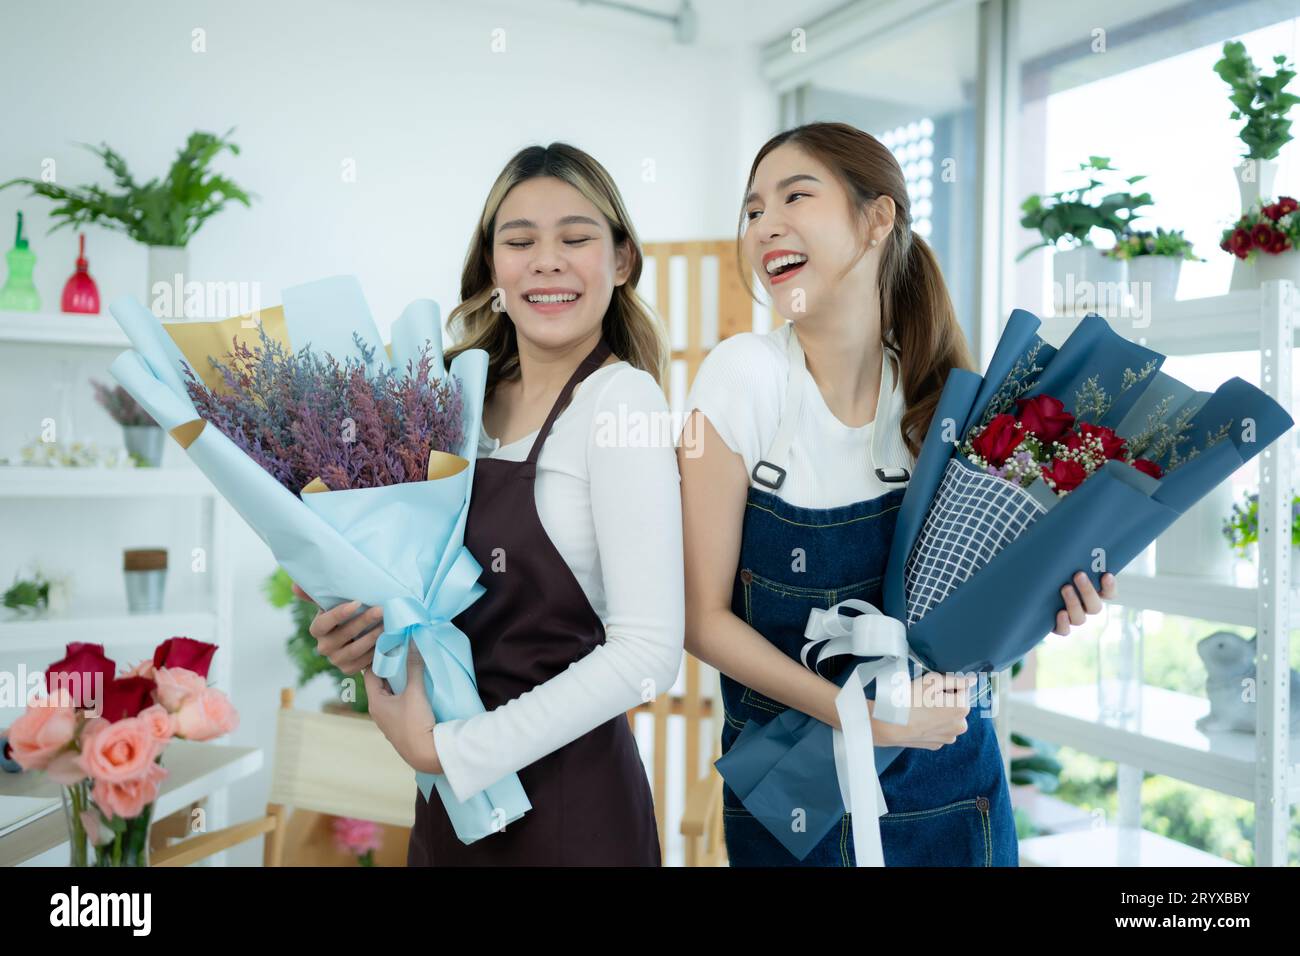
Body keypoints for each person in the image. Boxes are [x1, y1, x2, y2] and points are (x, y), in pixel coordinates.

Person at [677, 121, 1116, 866]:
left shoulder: (943, 397)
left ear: (877, 218)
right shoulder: (742, 376)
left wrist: (1055, 600)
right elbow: (701, 620)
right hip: (797, 803)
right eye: (753, 210)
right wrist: (860, 715)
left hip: (952, 782)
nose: (765, 226)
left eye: (795, 196)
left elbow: (978, 608)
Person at [295, 142, 683, 865]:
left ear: (621, 261)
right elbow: (405, 584)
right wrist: (357, 632)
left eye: (576, 237)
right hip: (451, 811)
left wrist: (451, 748)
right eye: (520, 240)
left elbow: (648, 656)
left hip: (571, 814)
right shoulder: (448, 402)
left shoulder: (621, 403)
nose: (547, 260)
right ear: (492, 266)